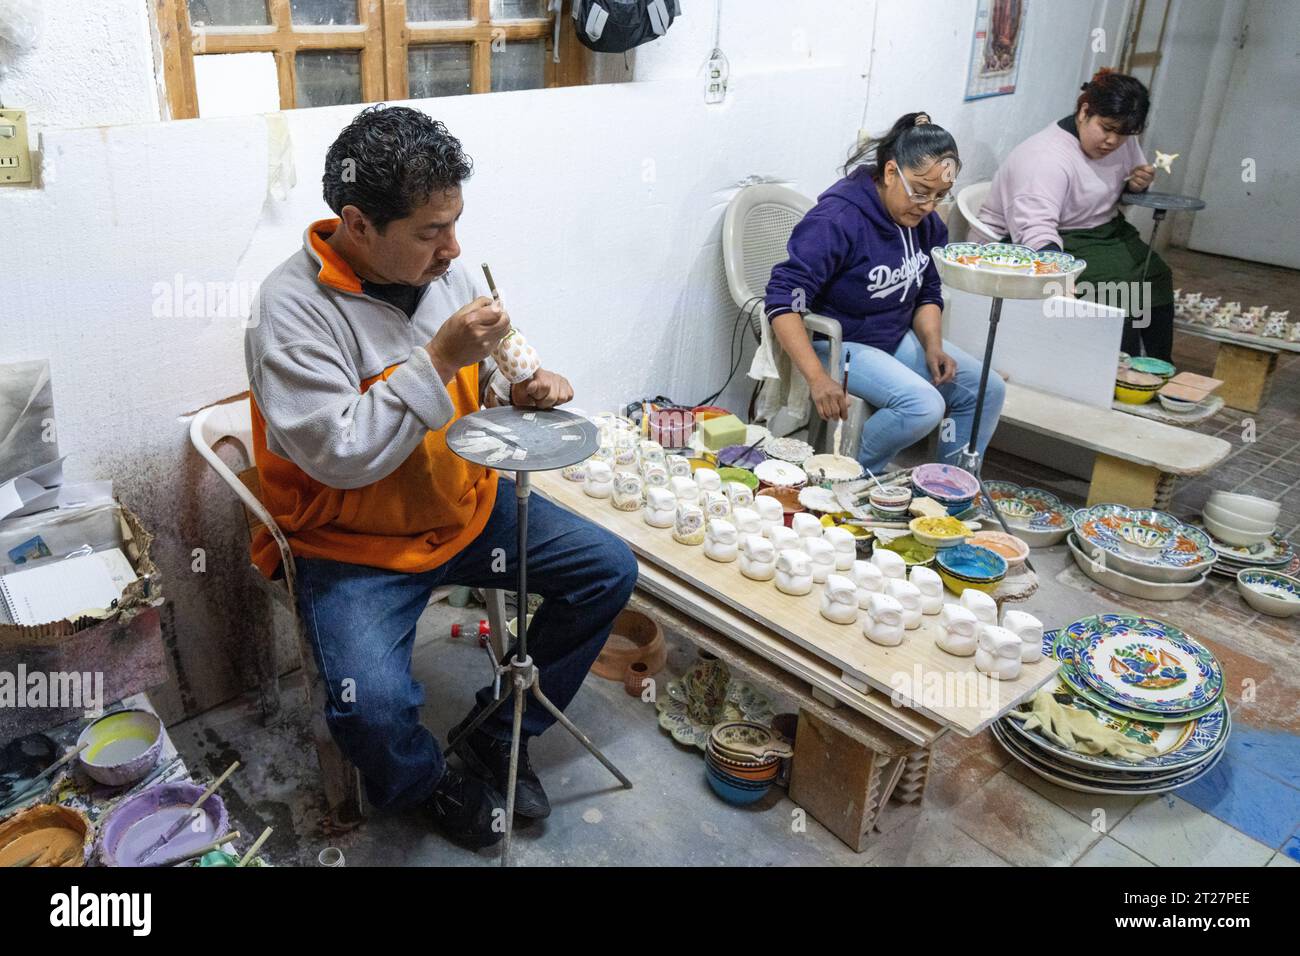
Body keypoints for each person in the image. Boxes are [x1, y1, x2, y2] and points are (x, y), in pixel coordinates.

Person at [244, 105, 637, 848]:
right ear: (358, 225)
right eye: (430, 232)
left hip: (463, 509)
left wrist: (519, 383)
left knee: (609, 570)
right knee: (371, 706)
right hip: (355, 542)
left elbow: (488, 370)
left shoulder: (443, 274)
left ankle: (495, 730)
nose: (452, 250)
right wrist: (439, 361)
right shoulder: (289, 311)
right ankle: (425, 781)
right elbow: (341, 452)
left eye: (454, 224)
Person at [765, 113, 1004, 474]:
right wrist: (817, 377)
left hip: (890, 336)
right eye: (920, 192)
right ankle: (849, 477)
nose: (928, 205)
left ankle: (949, 486)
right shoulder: (837, 220)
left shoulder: (924, 223)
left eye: (940, 195)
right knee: (923, 406)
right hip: (840, 344)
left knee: (986, 388)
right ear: (891, 172)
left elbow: (928, 290)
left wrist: (934, 345)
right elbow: (782, 301)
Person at [979, 70, 1172, 361]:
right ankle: (1117, 370)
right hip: (1032, 241)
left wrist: (1135, 184)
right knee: (1118, 288)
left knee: (1154, 273)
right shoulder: (1045, 158)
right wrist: (1059, 273)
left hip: (1101, 231)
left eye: (1123, 134)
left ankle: (1158, 366)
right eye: (1106, 128)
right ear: (1084, 112)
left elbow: (1120, 181)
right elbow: (1035, 230)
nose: (1112, 141)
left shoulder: (1122, 139)